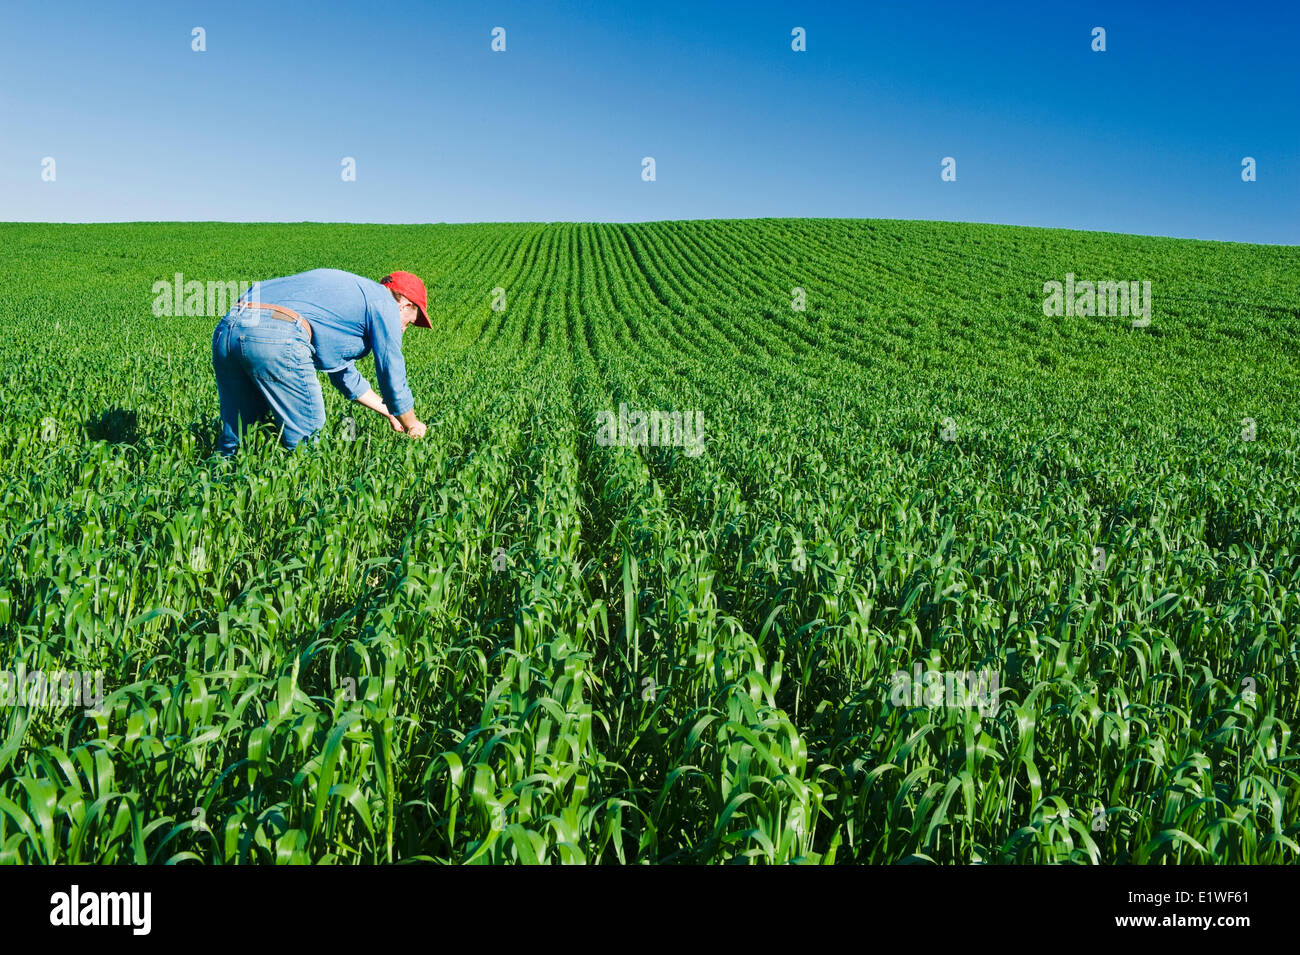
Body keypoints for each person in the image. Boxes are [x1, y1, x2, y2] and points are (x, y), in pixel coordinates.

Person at [211, 268, 430, 455]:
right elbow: (391, 372)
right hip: (278, 334)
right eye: (408, 323)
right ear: (405, 304)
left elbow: (343, 374)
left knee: (239, 439)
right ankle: (301, 501)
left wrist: (390, 412)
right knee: (308, 444)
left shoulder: (349, 295)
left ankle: (217, 489)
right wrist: (411, 424)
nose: (402, 329)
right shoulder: (385, 303)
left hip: (228, 329)